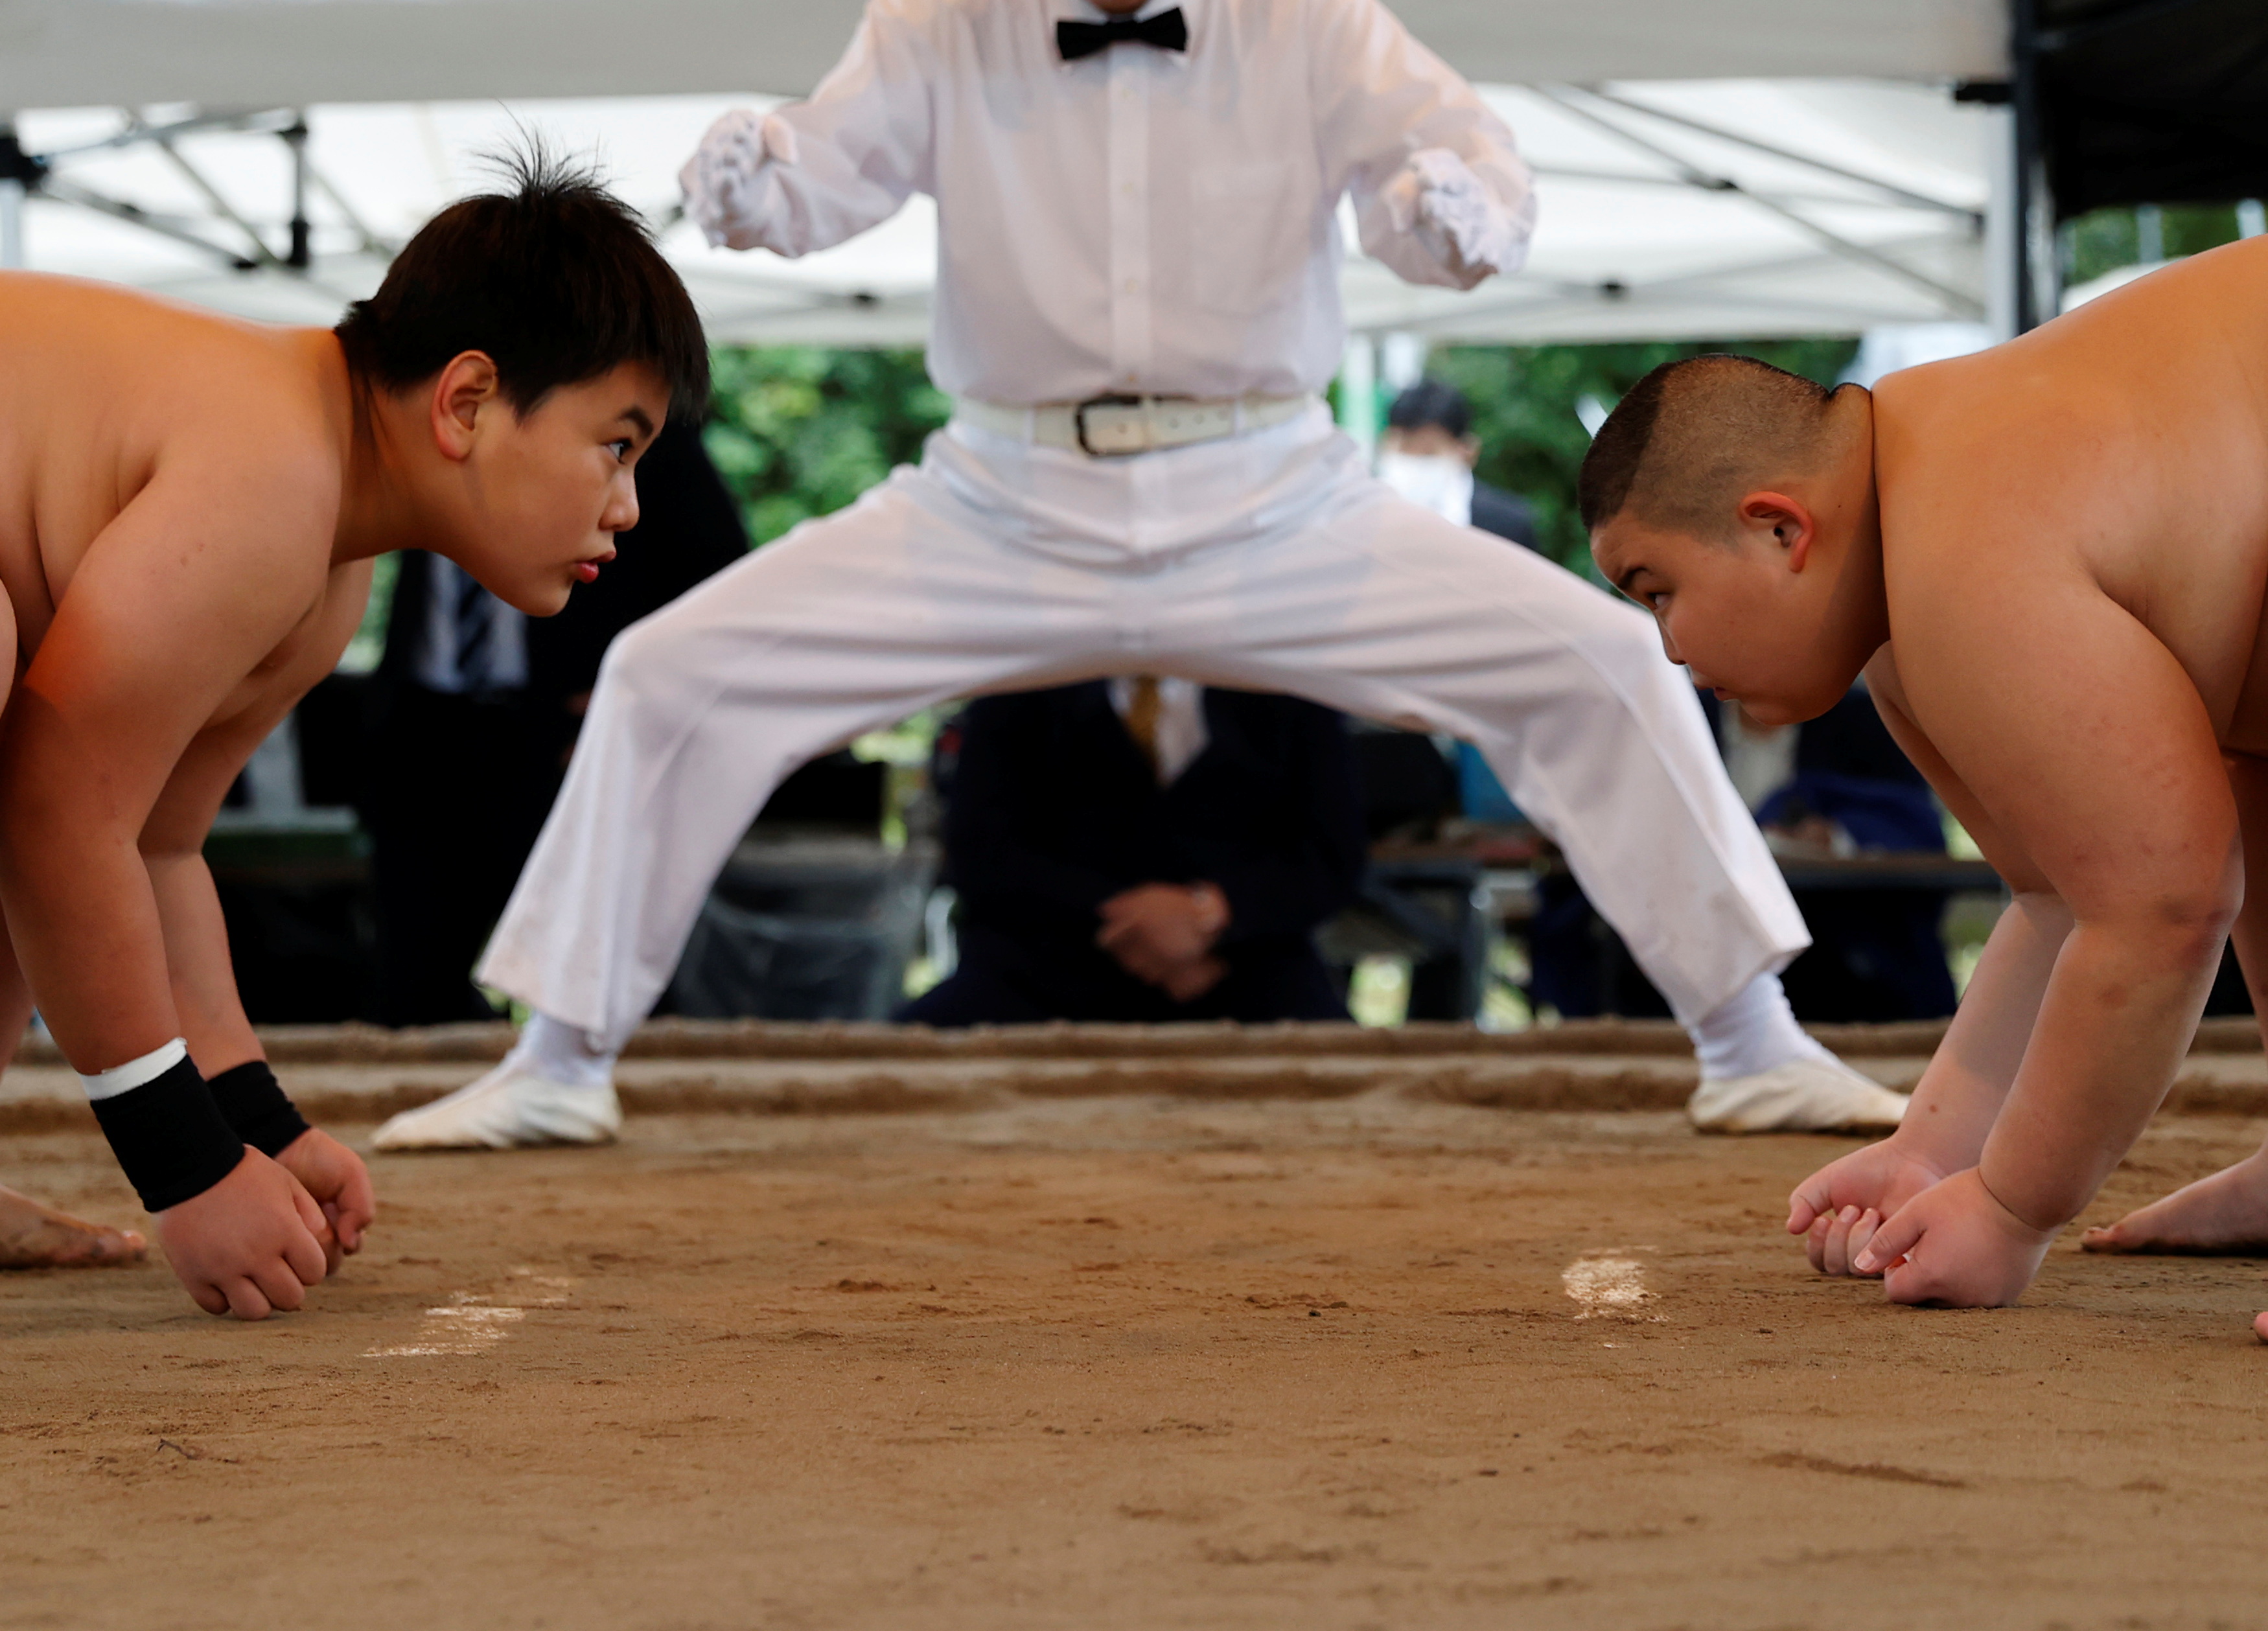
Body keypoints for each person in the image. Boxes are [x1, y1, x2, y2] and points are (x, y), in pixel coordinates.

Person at [374, 0, 1904, 1156]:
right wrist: (757, 175)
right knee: (673, 669)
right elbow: (825, 175)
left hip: (1269, 493)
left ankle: (1752, 1035)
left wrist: (1443, 209)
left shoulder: (1306, 17)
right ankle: (558, 1060)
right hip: (1004, 492)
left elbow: (1462, 179)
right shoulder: (944, 15)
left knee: (1598, 657)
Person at [0, 151, 708, 1313]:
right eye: (616, 446)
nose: (627, 505)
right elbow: (55, 813)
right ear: (467, 401)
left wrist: (251, 1123)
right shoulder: (270, 476)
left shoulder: (327, 567)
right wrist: (183, 1166)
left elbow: (150, 849)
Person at [1579, 232, 2268, 1323]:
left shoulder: (1959, 537)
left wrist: (2010, 1208)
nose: (1666, 647)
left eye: (1656, 589)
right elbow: (2061, 898)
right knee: (2248, 776)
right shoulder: (1911, 559)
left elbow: (2163, 906)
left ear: (1778, 526)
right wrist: (1935, 1148)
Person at [364, 420, 748, 1025]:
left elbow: (723, 576)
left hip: (564, 739)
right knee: (413, 987)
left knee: (594, 986)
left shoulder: (626, 422)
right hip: (423, 733)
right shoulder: (428, 417)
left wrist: (641, 693)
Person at [901, 677, 1365, 1024]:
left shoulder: (1288, 688)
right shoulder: (1025, 685)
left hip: (1244, 970)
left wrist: (1212, 913)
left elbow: (1331, 857)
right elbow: (983, 855)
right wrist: (1143, 924)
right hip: (1042, 973)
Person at [1376, 378, 1539, 550]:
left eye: (1428, 453)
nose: (1413, 461)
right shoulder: (1362, 520)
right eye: (1403, 448)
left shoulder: (1507, 526)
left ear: (1467, 451)